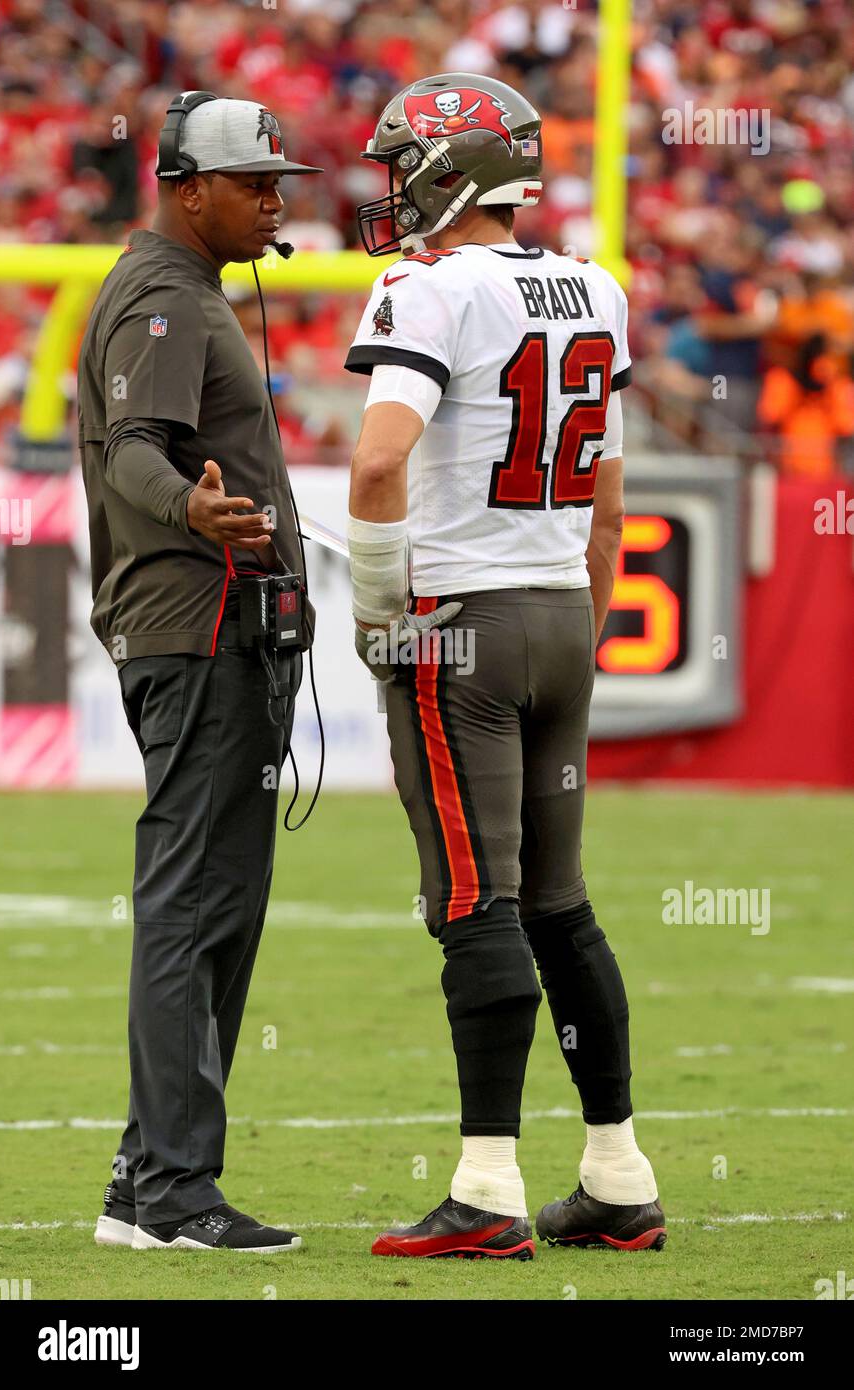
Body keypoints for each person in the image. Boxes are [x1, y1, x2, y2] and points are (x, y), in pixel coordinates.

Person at [344, 72, 665, 1259]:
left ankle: (484, 1187)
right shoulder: (594, 284)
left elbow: (378, 470)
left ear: (447, 171)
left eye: (400, 167)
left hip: (461, 623)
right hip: (562, 614)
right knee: (559, 901)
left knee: (473, 899)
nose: (388, 191)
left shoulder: (425, 289)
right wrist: (575, 608)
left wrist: (383, 609)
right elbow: (609, 501)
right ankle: (616, 1173)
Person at [78, 93, 319, 1254]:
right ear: (186, 186)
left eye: (280, 177)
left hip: (217, 625)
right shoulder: (166, 303)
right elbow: (131, 450)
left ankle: (145, 1177)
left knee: (218, 900)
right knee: (191, 900)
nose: (275, 197)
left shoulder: (183, 292)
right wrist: (192, 507)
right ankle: (175, 1186)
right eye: (254, 180)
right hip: (195, 625)